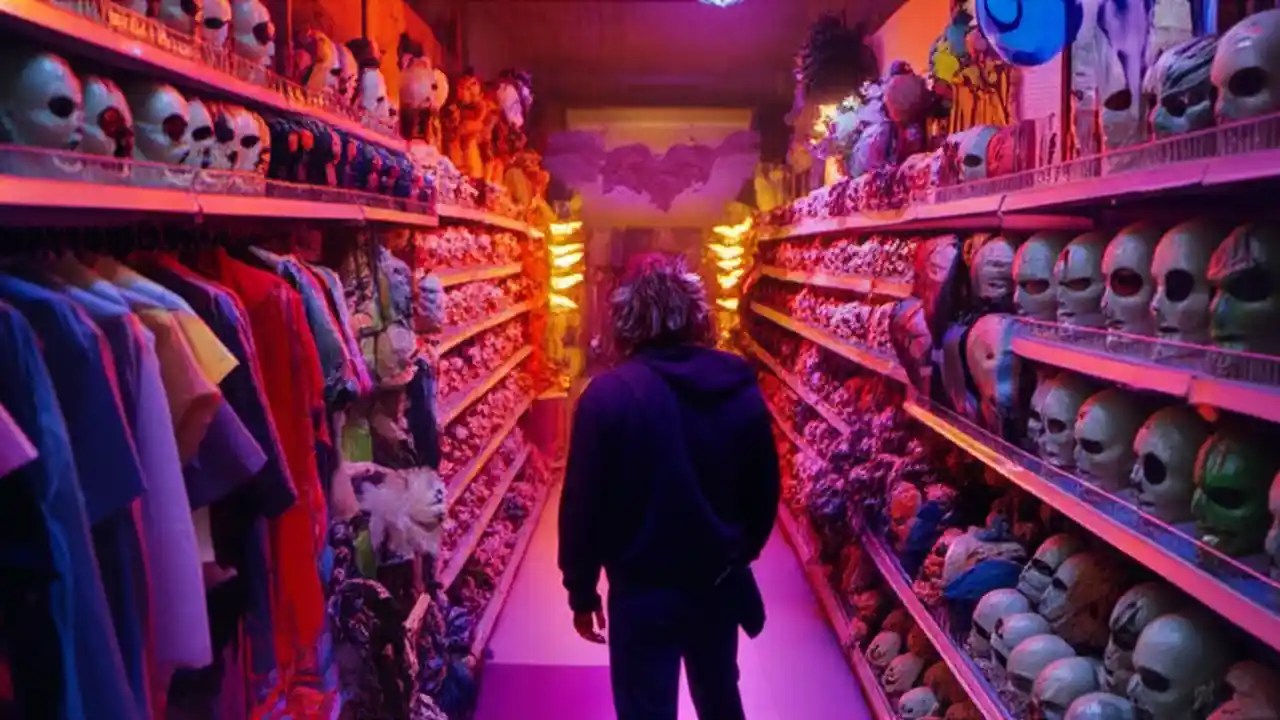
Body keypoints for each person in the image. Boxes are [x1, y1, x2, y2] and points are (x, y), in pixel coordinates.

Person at [558, 253, 781, 720]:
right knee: (720, 700)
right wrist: (738, 551)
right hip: (716, 582)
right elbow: (764, 488)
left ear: (625, 319)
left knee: (646, 709)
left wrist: (582, 589)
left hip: (641, 592)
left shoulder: (607, 398)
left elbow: (582, 506)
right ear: (698, 315)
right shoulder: (737, 384)